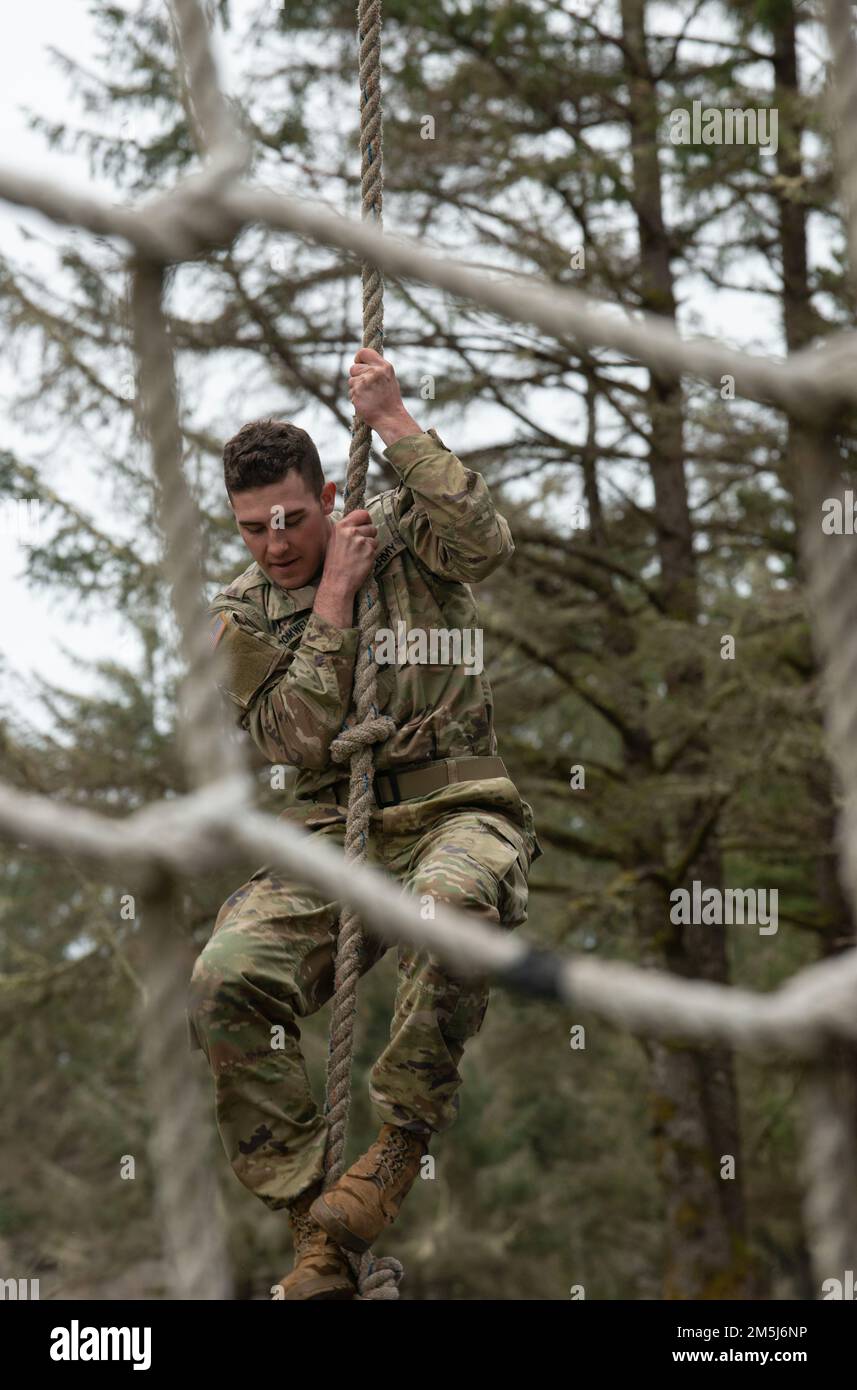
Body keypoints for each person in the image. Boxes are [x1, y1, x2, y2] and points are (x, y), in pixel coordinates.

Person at [188, 347, 540, 1299]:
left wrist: (393, 421)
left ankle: (394, 1149)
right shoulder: (240, 612)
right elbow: (293, 736)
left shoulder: (399, 529)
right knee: (225, 976)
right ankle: (318, 1226)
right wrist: (332, 596)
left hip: (455, 808)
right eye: (254, 528)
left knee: (451, 901)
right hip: (329, 837)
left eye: (293, 520)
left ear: (329, 490)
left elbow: (486, 543)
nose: (274, 542)